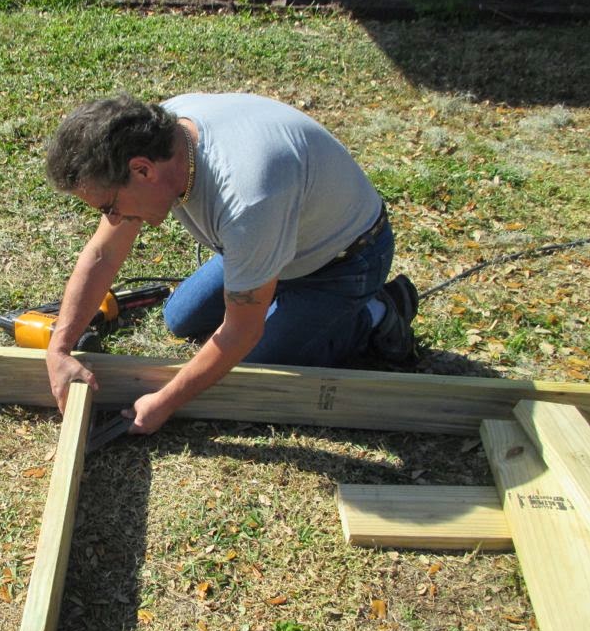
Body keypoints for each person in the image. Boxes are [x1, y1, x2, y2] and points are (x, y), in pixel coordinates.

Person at [44, 92, 418, 435]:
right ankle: (267, 285)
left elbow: (241, 332)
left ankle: (377, 312)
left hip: (342, 263)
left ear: (142, 170)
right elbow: (102, 253)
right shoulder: (162, 136)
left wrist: (165, 402)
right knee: (180, 318)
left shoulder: (247, 199)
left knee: (255, 362)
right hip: (270, 243)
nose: (112, 217)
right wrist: (59, 347)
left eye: (110, 206)